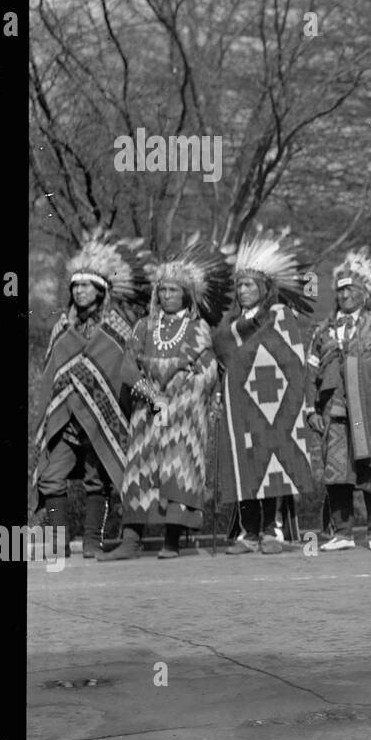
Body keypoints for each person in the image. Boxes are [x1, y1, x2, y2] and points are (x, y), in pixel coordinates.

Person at [104, 237, 234, 561]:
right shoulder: (143, 327)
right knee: (139, 471)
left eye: (174, 290)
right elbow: (127, 367)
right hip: (148, 411)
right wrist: (152, 395)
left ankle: (171, 541)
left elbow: (207, 372)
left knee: (177, 471)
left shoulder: (198, 329)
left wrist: (176, 392)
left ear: (186, 294)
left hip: (181, 417)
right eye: (162, 290)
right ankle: (131, 541)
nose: (167, 295)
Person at [32, 228, 152, 559]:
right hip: (66, 420)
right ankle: (58, 541)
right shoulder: (62, 328)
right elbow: (50, 374)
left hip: (101, 421)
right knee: (51, 477)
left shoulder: (116, 328)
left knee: (96, 483)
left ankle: (91, 541)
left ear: (100, 290)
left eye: (86, 285)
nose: (80, 290)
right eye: (76, 286)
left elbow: (125, 371)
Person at [214, 228, 317, 555]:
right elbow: (224, 356)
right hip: (241, 406)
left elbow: (293, 359)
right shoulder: (230, 326)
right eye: (239, 286)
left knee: (272, 464)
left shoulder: (280, 317)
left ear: (263, 288)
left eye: (248, 285)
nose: (242, 291)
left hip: (273, 404)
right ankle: (249, 532)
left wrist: (300, 404)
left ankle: (272, 531)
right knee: (243, 464)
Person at [306, 248, 371, 552]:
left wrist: (357, 366)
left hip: (370, 411)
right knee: (337, 471)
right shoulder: (324, 329)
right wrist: (311, 407)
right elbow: (310, 371)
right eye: (341, 290)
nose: (346, 294)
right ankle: (343, 532)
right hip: (335, 410)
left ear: (364, 292)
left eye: (351, 288)